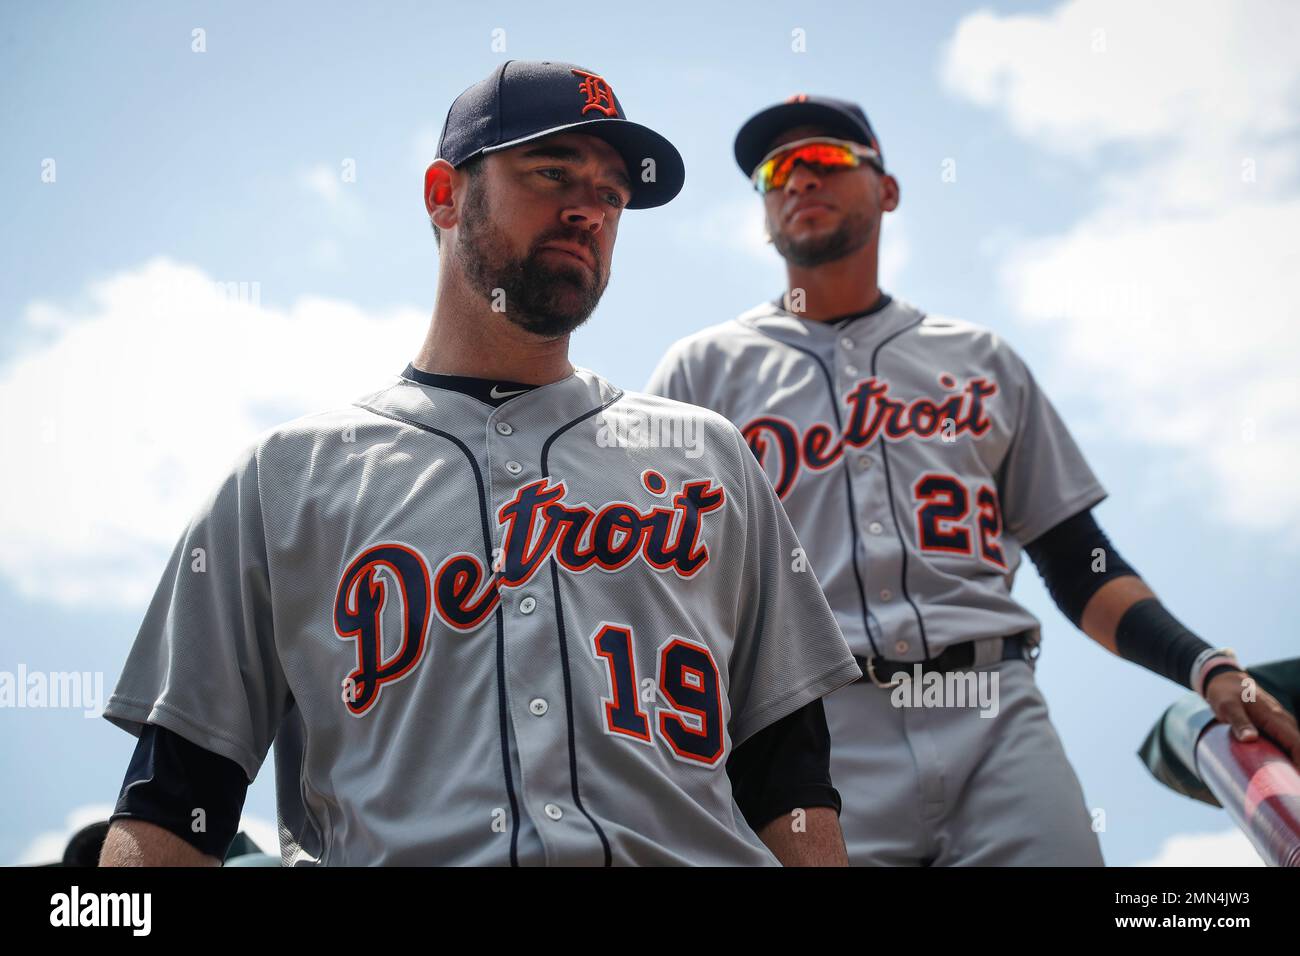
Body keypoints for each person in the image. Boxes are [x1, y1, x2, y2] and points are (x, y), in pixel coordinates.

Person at [98, 63, 862, 867]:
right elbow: (174, 807)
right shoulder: (283, 479)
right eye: (552, 172)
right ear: (443, 194)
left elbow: (792, 785)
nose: (587, 210)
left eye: (611, 194)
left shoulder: (707, 458)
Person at [645, 94, 1300, 865]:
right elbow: (668, 588)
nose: (797, 180)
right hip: (813, 732)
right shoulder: (701, 370)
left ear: (887, 189)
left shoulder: (980, 359)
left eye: (824, 159)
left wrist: (1205, 665)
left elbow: (1073, 555)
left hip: (993, 714)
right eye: (775, 170)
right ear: (762, 212)